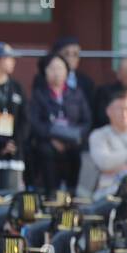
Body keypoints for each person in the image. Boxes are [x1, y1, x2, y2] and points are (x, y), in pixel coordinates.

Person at [27, 53, 91, 194]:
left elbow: (86, 121)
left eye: (60, 68)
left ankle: (72, 193)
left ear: (67, 72)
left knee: (77, 155)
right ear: (45, 72)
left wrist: (73, 138)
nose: (56, 73)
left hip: (73, 142)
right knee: (45, 151)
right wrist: (52, 137)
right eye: (52, 69)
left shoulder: (76, 94)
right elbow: (34, 122)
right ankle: (50, 194)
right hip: (48, 141)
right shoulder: (39, 95)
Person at [0, 41, 27, 192]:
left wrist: (14, 142)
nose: (13, 61)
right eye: (8, 58)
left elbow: (25, 119)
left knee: (10, 199)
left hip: (13, 153)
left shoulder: (17, 87)